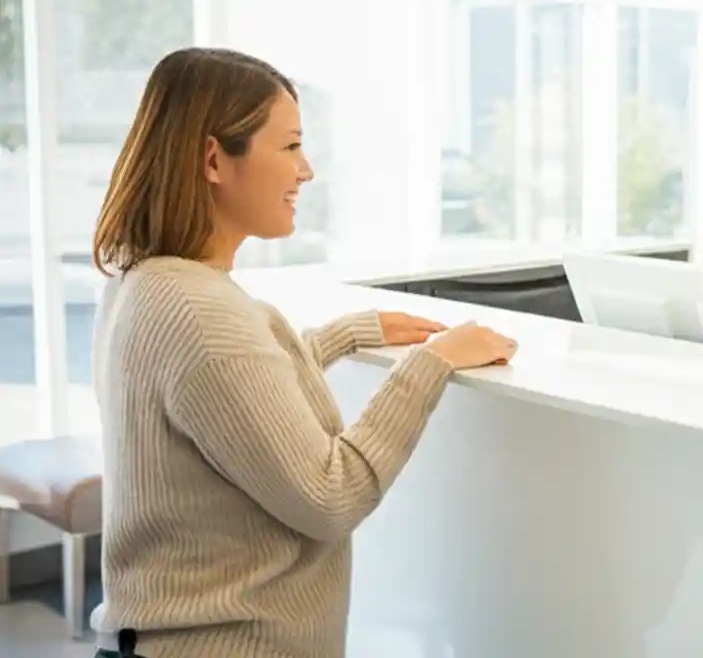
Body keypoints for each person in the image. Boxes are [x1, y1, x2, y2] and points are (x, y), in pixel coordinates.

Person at [89, 47, 517, 657]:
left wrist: (347, 333)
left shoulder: (147, 282)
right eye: (290, 146)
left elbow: (230, 398)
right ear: (214, 159)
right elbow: (331, 495)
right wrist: (433, 363)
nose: (306, 170)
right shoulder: (199, 313)